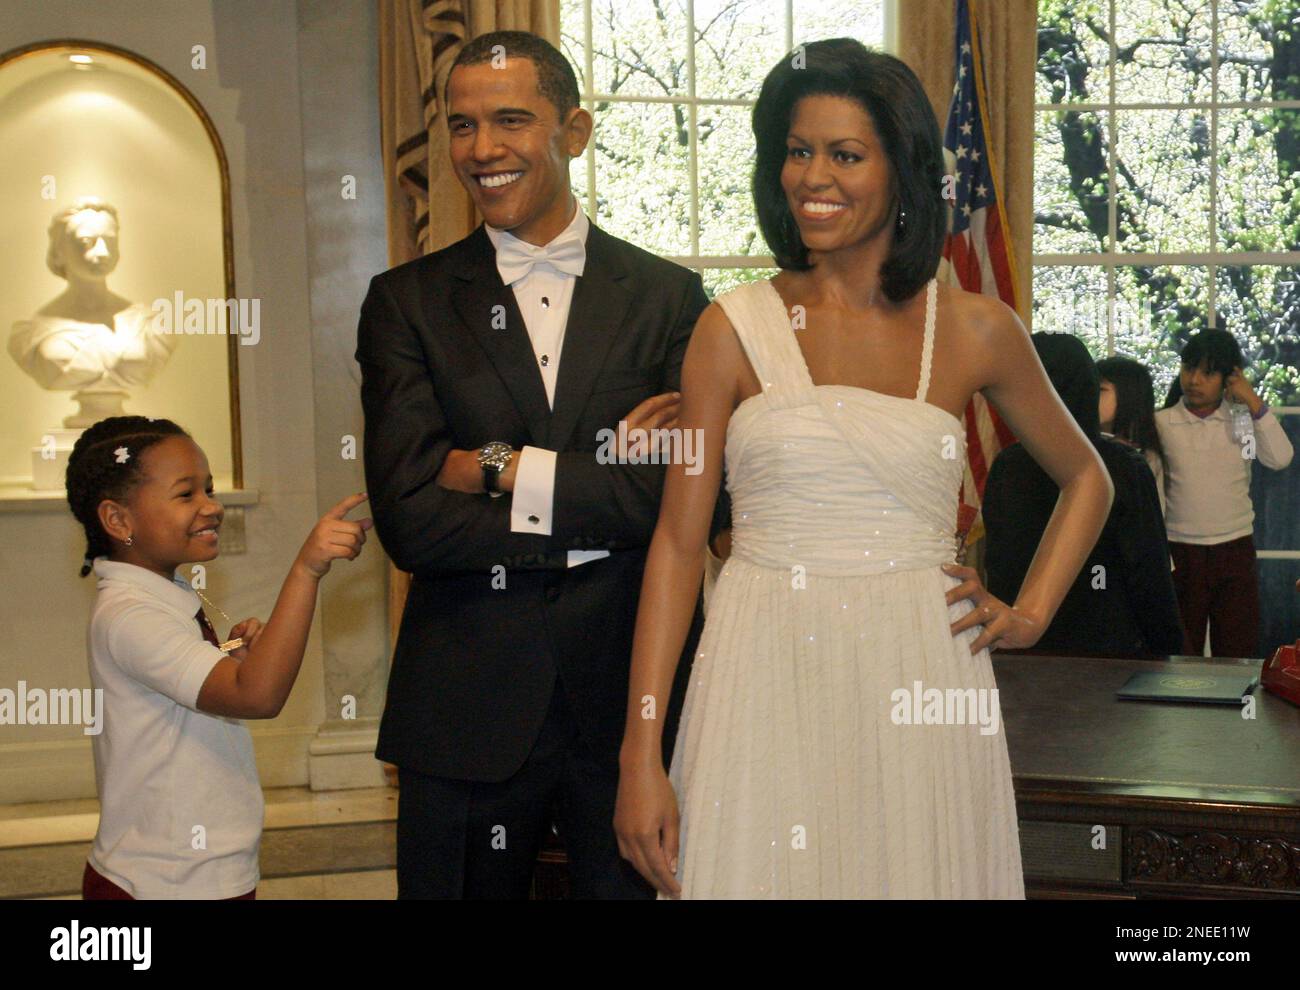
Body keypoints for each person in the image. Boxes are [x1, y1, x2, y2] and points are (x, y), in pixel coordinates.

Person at [613, 39, 1113, 899]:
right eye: (797, 151)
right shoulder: (726, 330)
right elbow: (675, 545)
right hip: (759, 673)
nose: (815, 177)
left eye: (846, 154)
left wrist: (1030, 613)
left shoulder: (976, 329)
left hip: (922, 671)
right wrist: (640, 754)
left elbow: (1088, 478)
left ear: (903, 170)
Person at [355, 31, 725, 899]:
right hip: (464, 712)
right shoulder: (404, 303)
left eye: (510, 120)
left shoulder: (669, 298)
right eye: (462, 126)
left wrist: (496, 465)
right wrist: (604, 501)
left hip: (633, 706)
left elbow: (690, 498)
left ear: (576, 130)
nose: (482, 150)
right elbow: (410, 518)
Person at [66, 415, 370, 899]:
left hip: (198, 871)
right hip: (163, 882)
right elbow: (259, 696)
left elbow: (233, 689)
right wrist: (307, 569)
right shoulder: (131, 616)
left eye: (208, 489)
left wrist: (241, 659)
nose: (211, 506)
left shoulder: (164, 592)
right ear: (119, 520)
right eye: (187, 494)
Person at [984, 335, 1183, 658]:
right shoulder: (1122, 467)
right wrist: (1168, 650)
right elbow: (1148, 575)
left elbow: (1000, 569)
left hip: (1023, 655)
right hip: (1110, 661)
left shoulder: (1007, 466)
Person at [1156, 328, 1293, 657]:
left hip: (1233, 547)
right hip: (1179, 549)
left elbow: (1280, 457)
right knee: (1179, 649)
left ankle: (1237, 708)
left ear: (1229, 377)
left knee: (1237, 647)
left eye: (1208, 372)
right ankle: (1179, 708)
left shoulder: (1242, 421)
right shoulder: (1161, 423)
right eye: (1189, 368)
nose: (1195, 380)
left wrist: (1251, 400)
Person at [1097, 355, 1168, 517]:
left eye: (1101, 390)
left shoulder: (1146, 457)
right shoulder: (1084, 444)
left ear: (1128, 395)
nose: (1091, 396)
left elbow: (1153, 517)